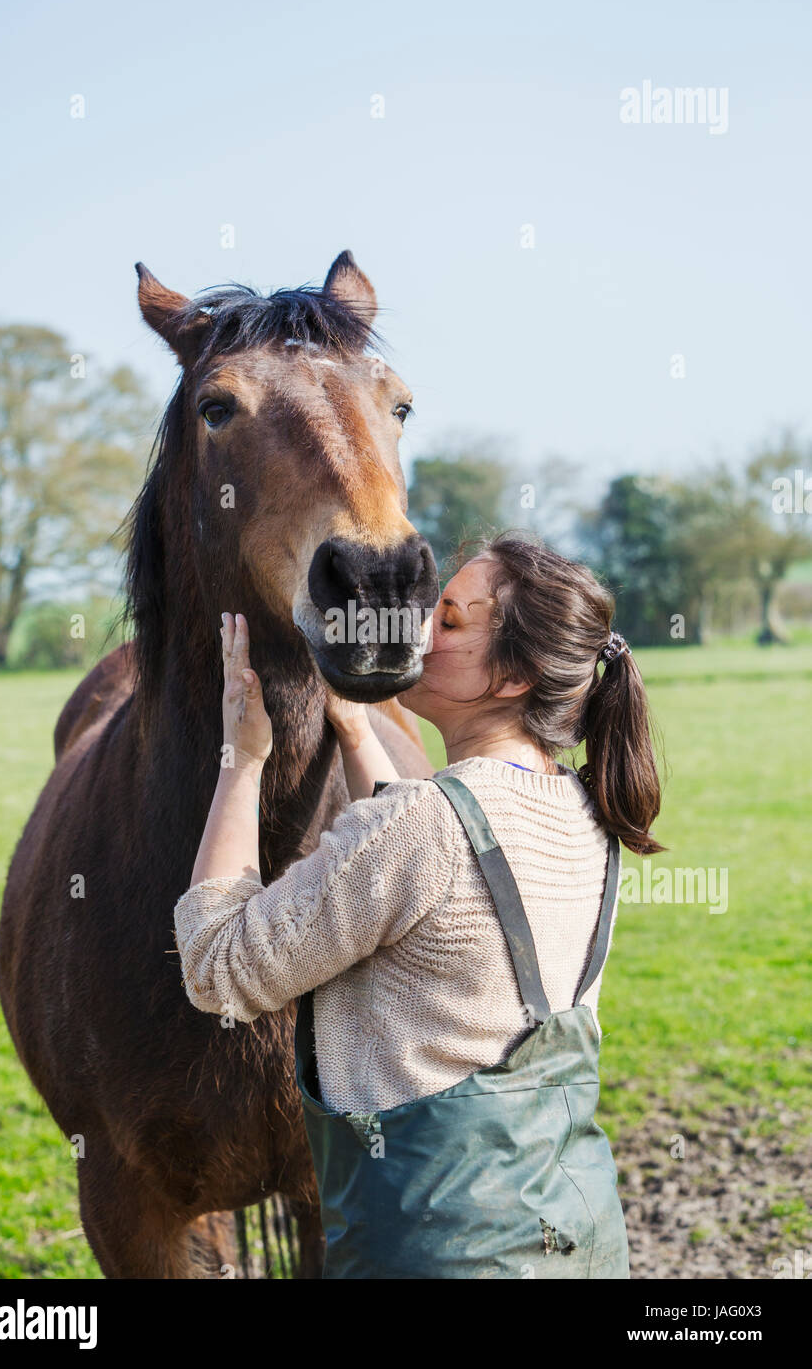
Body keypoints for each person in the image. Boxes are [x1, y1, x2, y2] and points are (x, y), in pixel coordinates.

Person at [174, 530, 664, 1279]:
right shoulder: (588, 814)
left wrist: (240, 761)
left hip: (434, 1252)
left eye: (452, 621)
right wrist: (353, 725)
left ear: (515, 677)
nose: (416, 626)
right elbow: (421, 875)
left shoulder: (421, 829)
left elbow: (216, 966)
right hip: (573, 1241)